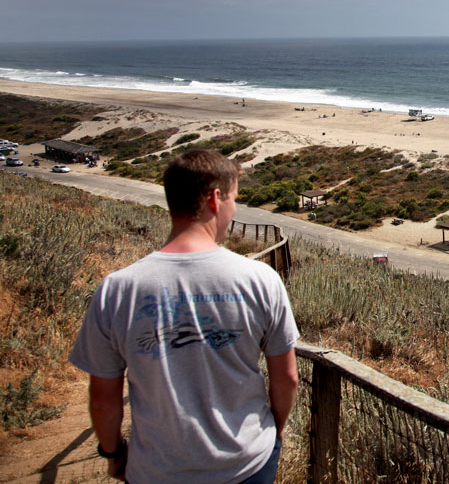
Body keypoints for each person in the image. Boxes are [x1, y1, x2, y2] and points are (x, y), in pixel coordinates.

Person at [69, 150, 299, 483]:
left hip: (157, 470)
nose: (234, 209)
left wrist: (114, 452)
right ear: (216, 200)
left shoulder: (117, 289)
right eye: (234, 199)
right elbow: (287, 378)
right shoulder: (260, 279)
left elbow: (103, 399)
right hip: (247, 462)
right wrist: (274, 431)